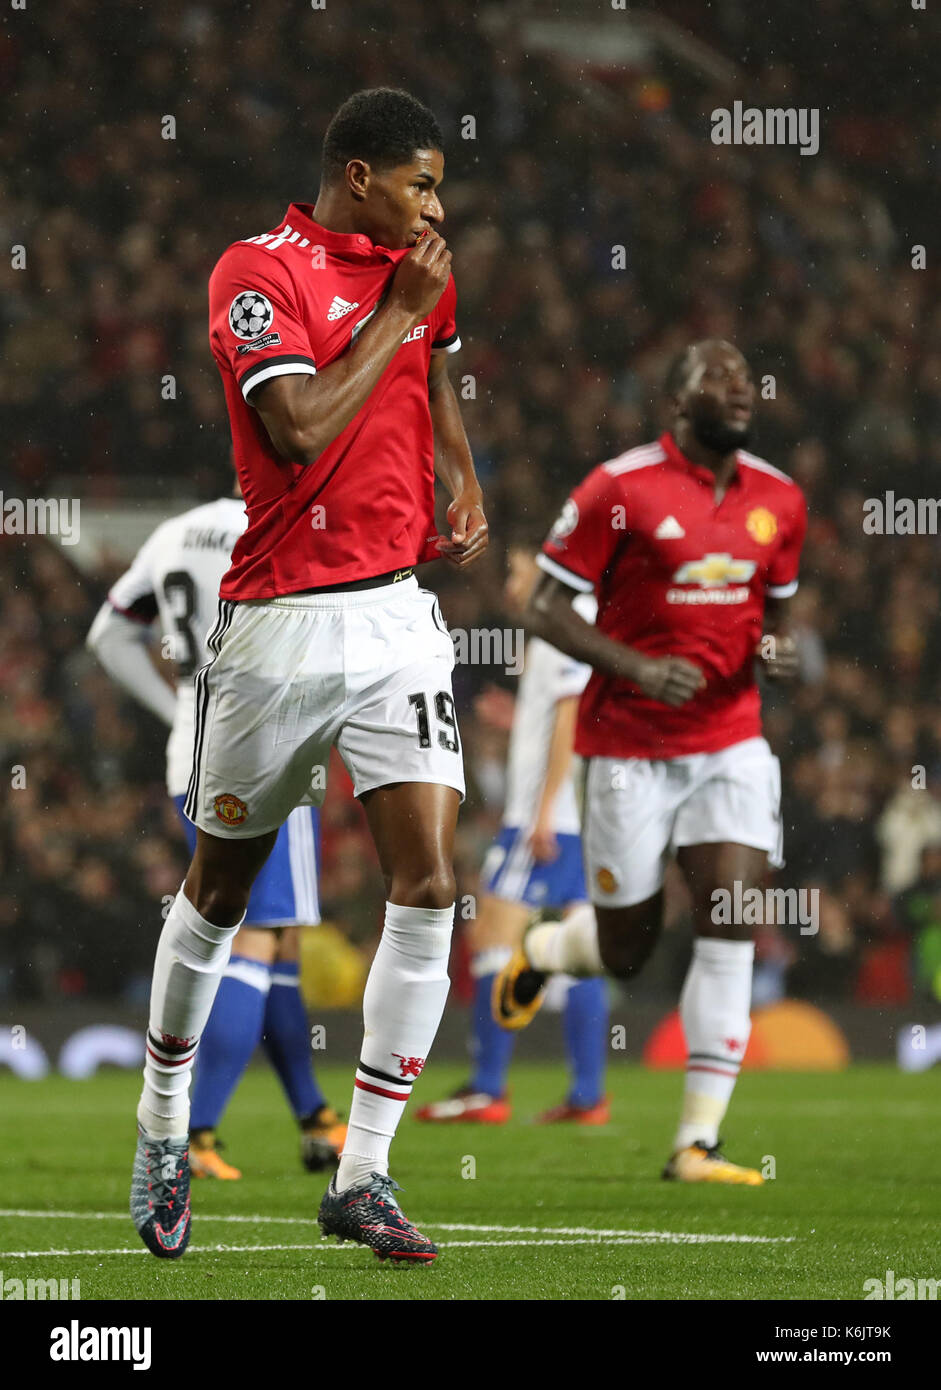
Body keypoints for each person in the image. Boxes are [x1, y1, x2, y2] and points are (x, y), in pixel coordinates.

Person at [128, 87, 488, 1263]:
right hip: (280, 625)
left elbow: (429, 372)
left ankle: (365, 1172)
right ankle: (163, 1127)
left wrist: (458, 473)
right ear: (356, 175)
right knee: (219, 895)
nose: (435, 204)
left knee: (429, 882)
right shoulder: (257, 273)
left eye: (438, 184)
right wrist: (397, 309)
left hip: (395, 620)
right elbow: (294, 428)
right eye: (420, 183)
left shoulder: (414, 275)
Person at [494, 340, 806, 1184]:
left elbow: (776, 614)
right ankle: (551, 949)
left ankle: (695, 1144)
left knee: (730, 918)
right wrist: (632, 666)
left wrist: (780, 652)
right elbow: (543, 608)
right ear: (675, 400)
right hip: (627, 746)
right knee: (629, 948)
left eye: (745, 377)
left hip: (730, 741)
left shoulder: (778, 498)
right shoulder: (618, 489)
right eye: (716, 376)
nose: (737, 388)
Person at [88, 490, 346, 1180]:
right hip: (267, 748)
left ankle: (315, 1119)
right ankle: (194, 1131)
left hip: (194, 750)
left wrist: (177, 705)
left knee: (277, 933)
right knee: (257, 934)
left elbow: (107, 636)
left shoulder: (173, 532)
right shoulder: (279, 525)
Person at [416, 545, 608, 1125]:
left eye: (520, 569)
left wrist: (545, 810)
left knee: (491, 936)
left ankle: (488, 1087)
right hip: (586, 818)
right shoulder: (581, 622)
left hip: (547, 821)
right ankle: (587, 1096)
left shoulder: (562, 622)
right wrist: (520, 716)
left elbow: (572, 718)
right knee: (578, 946)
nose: (515, 581)